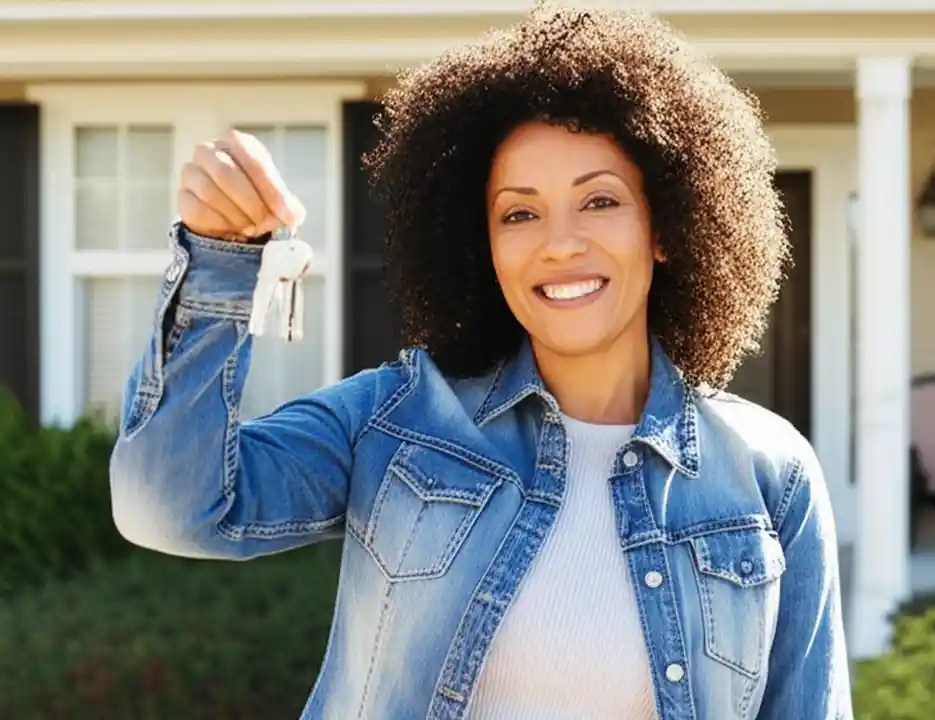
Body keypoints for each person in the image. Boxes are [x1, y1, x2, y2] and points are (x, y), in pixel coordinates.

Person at [109, 3, 853, 718]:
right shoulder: (399, 418)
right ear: (482, 246)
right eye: (519, 213)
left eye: (599, 202)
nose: (560, 244)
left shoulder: (769, 476)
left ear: (664, 228)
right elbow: (170, 507)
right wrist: (220, 259)